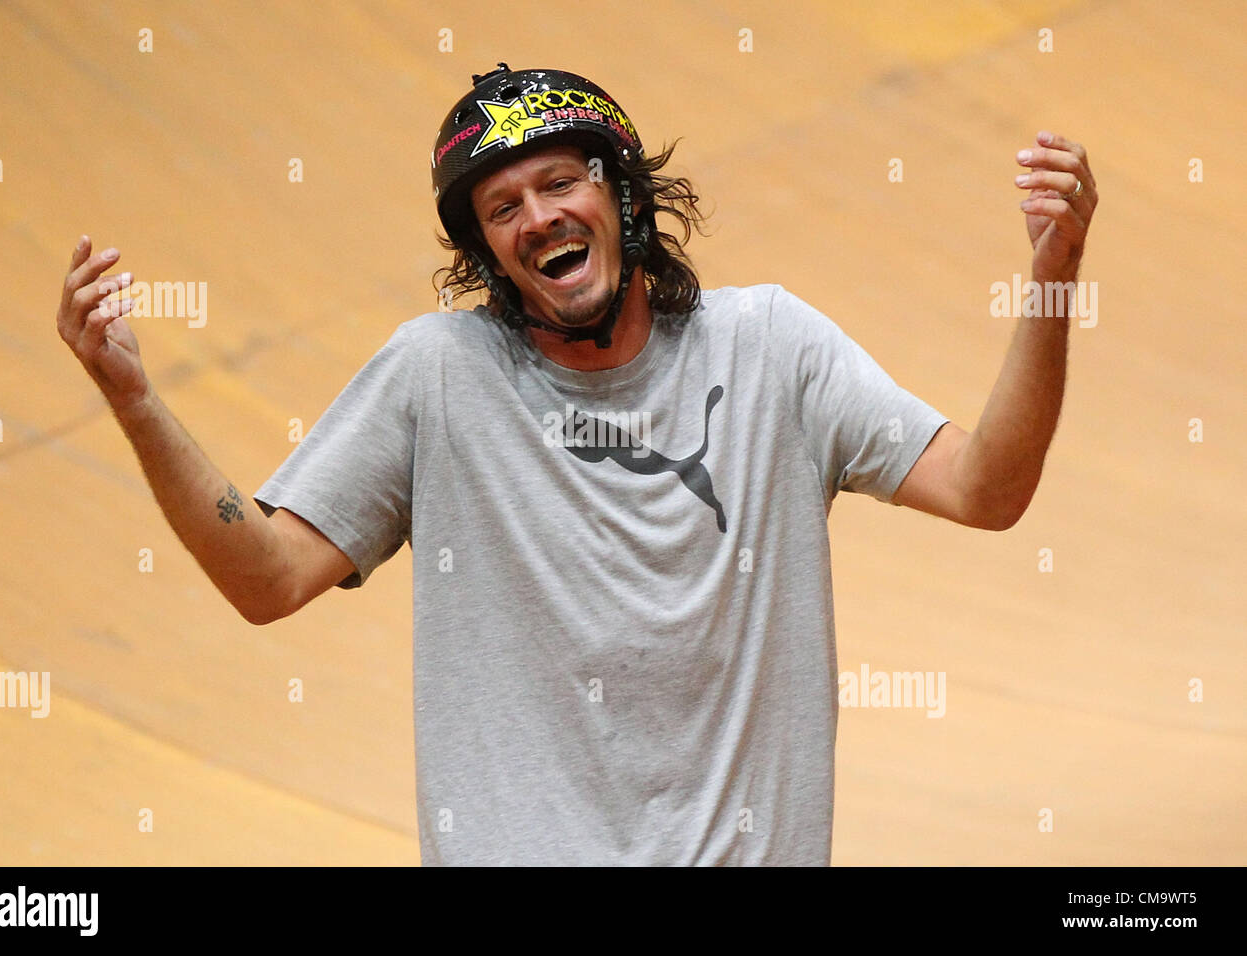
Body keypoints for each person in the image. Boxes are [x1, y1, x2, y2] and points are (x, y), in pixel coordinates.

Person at [55, 64, 1097, 865]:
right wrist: (136, 401)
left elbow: (986, 488)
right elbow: (267, 576)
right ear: (485, 254)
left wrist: (1051, 279)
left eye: (561, 180)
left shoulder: (771, 347)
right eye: (501, 207)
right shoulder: (438, 375)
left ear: (626, 198)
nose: (537, 214)